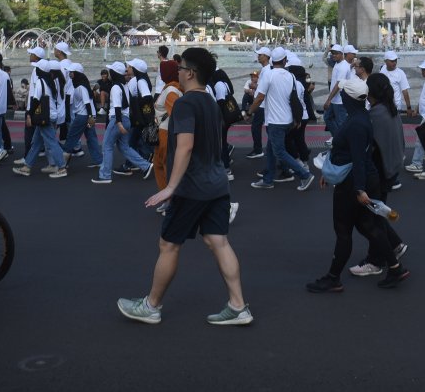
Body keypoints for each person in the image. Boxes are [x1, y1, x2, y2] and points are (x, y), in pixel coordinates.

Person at [117, 47, 253, 326]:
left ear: (190, 73)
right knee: (218, 241)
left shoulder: (185, 104)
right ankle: (238, 306)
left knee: (168, 244)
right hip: (216, 184)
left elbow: (186, 146)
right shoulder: (211, 102)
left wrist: (170, 187)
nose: (177, 72)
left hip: (192, 186)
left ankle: (151, 305)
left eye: (180, 68)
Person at [306, 77, 408, 292]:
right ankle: (395, 267)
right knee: (367, 225)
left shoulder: (356, 124)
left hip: (353, 182)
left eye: (342, 93)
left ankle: (333, 278)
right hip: (359, 178)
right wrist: (330, 170)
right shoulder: (362, 117)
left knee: (343, 230)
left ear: (347, 98)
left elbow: (358, 158)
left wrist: (359, 189)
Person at [348, 73, 407, 277]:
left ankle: (375, 261)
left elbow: (367, 146)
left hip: (379, 171)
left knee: (370, 218)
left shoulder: (374, 115)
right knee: (378, 211)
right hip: (392, 168)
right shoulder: (391, 110)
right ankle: (396, 244)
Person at [249, 48, 314, 191]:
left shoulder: (269, 75)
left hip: (275, 121)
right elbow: (294, 99)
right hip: (287, 119)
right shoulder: (290, 76)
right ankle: (268, 179)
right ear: (285, 60)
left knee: (279, 151)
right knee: (271, 150)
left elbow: (260, 97)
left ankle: (304, 174)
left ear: (272, 60)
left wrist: (249, 111)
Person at [14, 59, 69, 179]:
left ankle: (61, 167)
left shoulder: (40, 82)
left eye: (37, 68)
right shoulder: (51, 82)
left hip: (45, 117)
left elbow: (35, 100)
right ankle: (27, 167)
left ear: (40, 71)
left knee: (51, 142)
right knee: (36, 143)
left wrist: (29, 114)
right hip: (51, 115)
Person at [153, 60, 184, 193]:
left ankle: (170, 198)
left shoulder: (171, 90)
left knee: (165, 166)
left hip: (165, 133)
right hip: (165, 132)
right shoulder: (173, 87)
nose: (161, 73)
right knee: (161, 164)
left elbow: (177, 114)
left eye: (162, 71)